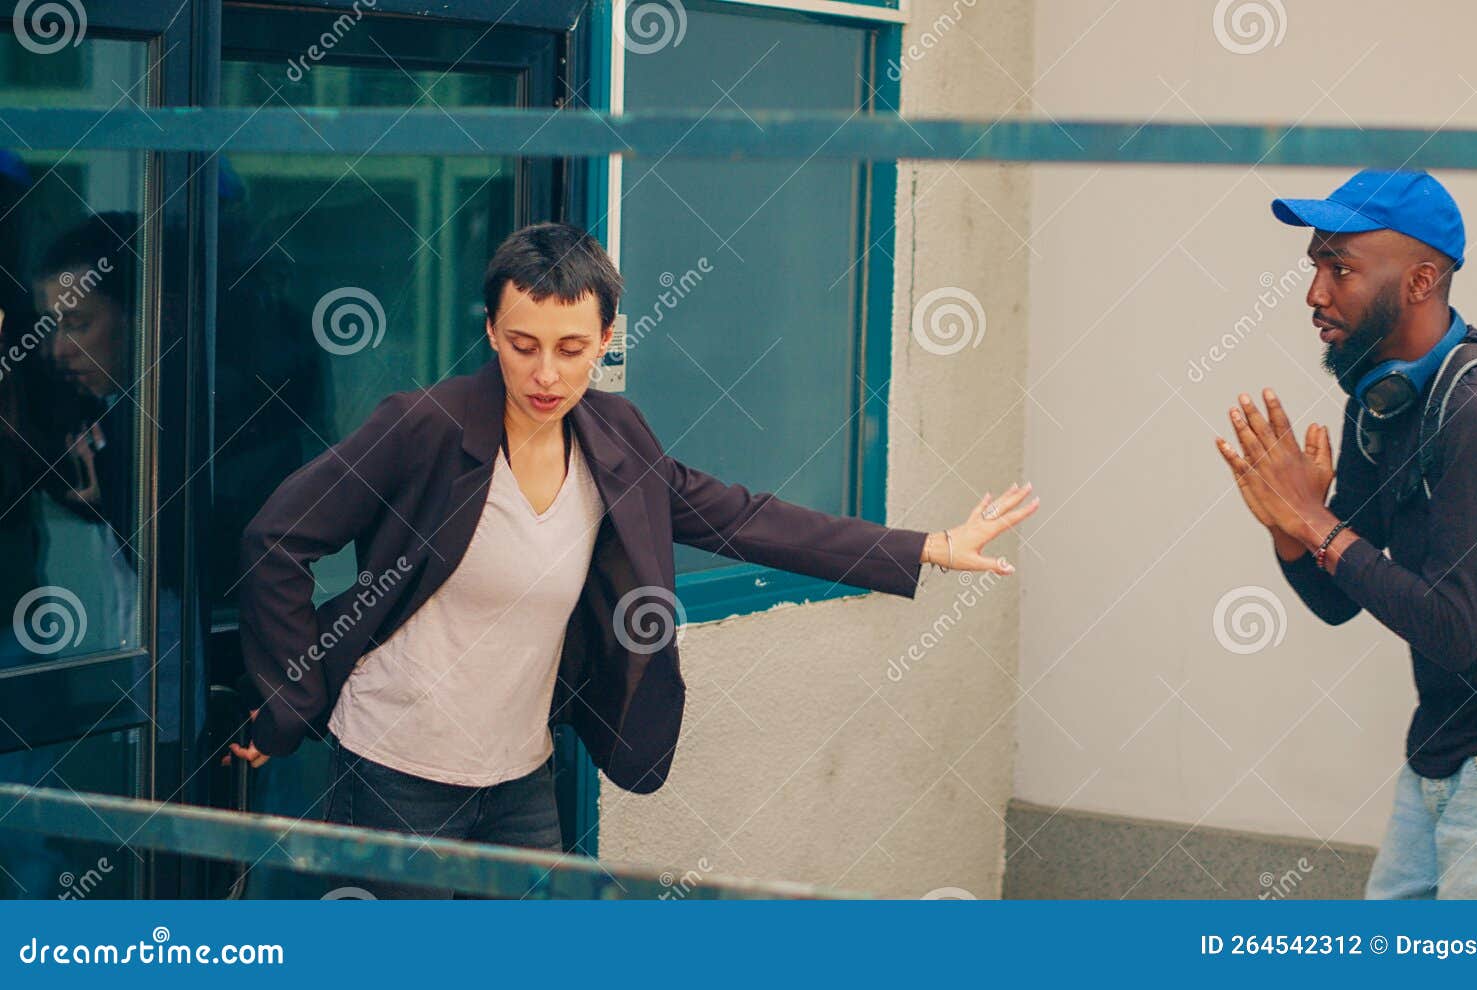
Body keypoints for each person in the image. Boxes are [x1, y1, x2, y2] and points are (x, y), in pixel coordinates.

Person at [225, 221, 1039, 895]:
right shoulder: (428, 427)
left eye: (572, 347)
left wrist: (927, 547)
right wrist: (294, 698)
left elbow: (743, 518)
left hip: (519, 779)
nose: (547, 373)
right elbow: (279, 538)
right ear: (491, 333)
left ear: (607, 338)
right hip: (395, 772)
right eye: (523, 344)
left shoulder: (616, 440)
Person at [1216, 169, 1477, 899]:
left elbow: (1452, 628)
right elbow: (1341, 599)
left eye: (1341, 269)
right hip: (1444, 754)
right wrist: (1293, 533)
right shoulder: (1384, 401)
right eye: (1315, 267)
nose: (1315, 295)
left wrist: (1317, 522)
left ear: (1421, 280)